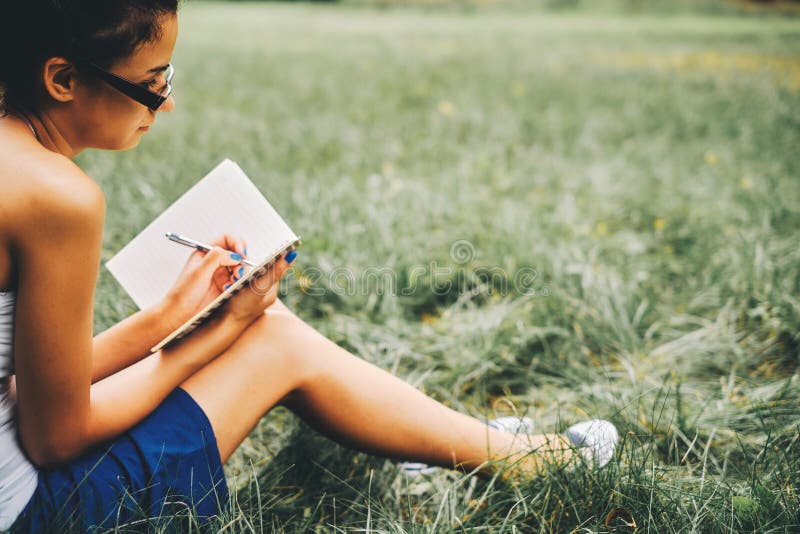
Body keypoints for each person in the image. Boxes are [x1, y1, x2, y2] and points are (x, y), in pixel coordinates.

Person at [0, 1, 618, 530]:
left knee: (260, 330)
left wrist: (171, 315)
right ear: (62, 78)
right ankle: (517, 456)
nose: (165, 106)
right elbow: (55, 435)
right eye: (152, 81)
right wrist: (216, 333)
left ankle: (457, 442)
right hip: (41, 514)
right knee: (272, 340)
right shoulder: (58, 198)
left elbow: (28, 389)